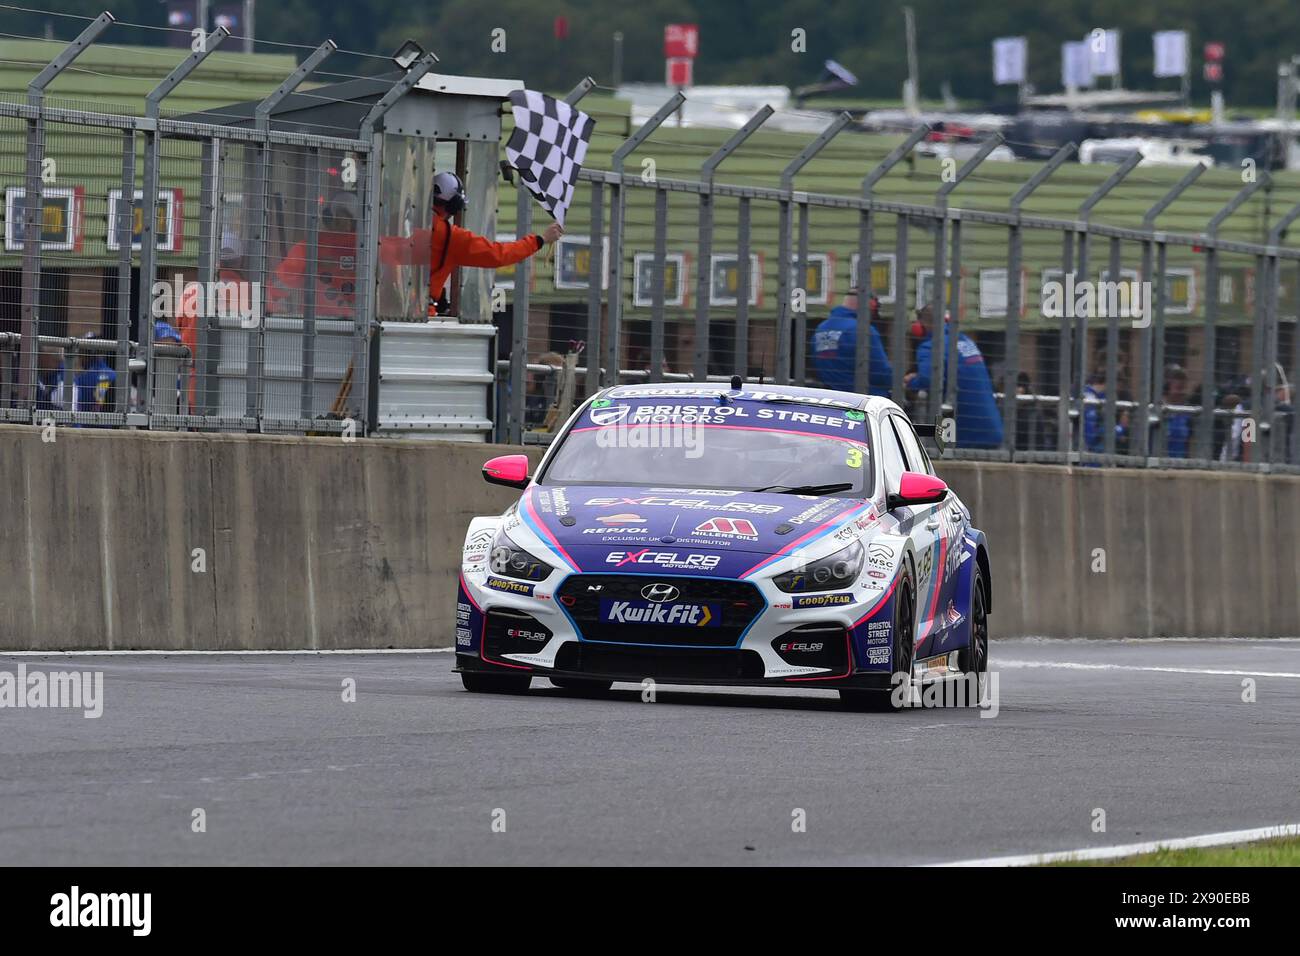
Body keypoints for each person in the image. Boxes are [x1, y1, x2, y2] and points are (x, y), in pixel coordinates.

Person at [422, 172, 561, 317]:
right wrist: (540, 240)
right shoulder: (450, 236)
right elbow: (497, 255)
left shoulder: (406, 220)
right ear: (453, 205)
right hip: (422, 312)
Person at [904, 307, 1003, 449]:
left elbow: (928, 380)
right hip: (991, 429)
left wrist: (910, 382)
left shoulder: (930, 347)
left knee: (940, 461)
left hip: (962, 434)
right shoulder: (966, 342)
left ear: (920, 326)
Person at [810, 292, 892, 395]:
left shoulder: (821, 329)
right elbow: (881, 373)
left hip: (831, 398)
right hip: (865, 401)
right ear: (870, 304)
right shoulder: (863, 330)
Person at [1162, 364, 1192, 458]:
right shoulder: (1158, 407)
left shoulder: (1188, 411)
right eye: (1176, 378)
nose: (1180, 382)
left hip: (1180, 465)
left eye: (1182, 379)